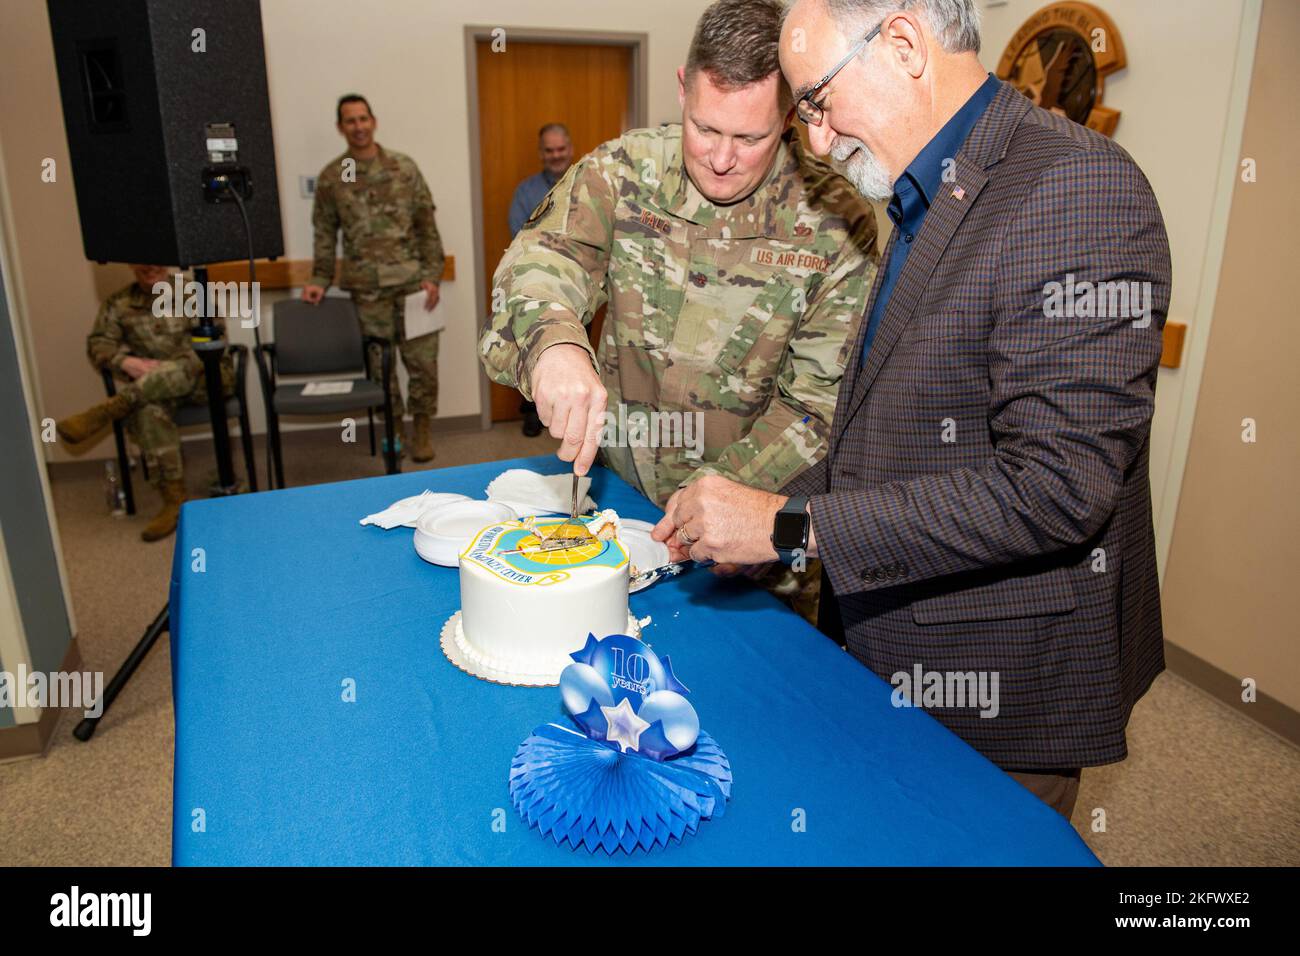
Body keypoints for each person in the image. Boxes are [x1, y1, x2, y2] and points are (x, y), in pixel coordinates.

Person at [652, 0, 1173, 821]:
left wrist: (791, 530)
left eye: (816, 103)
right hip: (883, 648)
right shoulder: (924, 185)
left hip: (997, 686)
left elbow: (1057, 488)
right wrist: (776, 520)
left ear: (901, 45)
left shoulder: (1079, 188)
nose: (815, 140)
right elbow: (897, 432)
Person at [480, 0, 878, 528]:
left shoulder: (835, 222)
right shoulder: (625, 172)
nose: (720, 159)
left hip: (750, 527)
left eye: (748, 138)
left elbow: (817, 404)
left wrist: (716, 499)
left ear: (787, 116)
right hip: (616, 501)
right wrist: (554, 345)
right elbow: (543, 256)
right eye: (705, 128)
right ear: (682, 89)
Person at [303, 94, 445, 463]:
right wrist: (320, 277)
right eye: (350, 121)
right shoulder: (333, 177)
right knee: (381, 369)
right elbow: (324, 231)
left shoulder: (404, 167)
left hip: (414, 286)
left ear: (374, 121)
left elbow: (426, 226)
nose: (358, 126)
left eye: (363, 118)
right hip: (367, 291)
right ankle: (394, 429)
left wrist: (433, 275)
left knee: (423, 365)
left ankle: (423, 430)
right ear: (340, 128)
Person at [55, 264, 235, 542]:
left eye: (155, 261)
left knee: (177, 370)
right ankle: (174, 500)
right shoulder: (119, 303)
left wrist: (169, 369)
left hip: (204, 378)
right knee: (148, 410)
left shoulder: (192, 290)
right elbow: (99, 345)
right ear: (131, 265)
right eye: (141, 263)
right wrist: (126, 361)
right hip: (155, 391)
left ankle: (108, 411)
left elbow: (214, 338)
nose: (149, 268)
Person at [508, 122, 576, 438]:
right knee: (535, 348)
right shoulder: (527, 192)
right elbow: (520, 237)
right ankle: (536, 410)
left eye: (561, 149)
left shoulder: (587, 183)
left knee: (574, 350)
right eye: (549, 150)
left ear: (570, 148)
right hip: (537, 285)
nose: (556, 155)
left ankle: (571, 412)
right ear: (541, 153)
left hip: (580, 288)